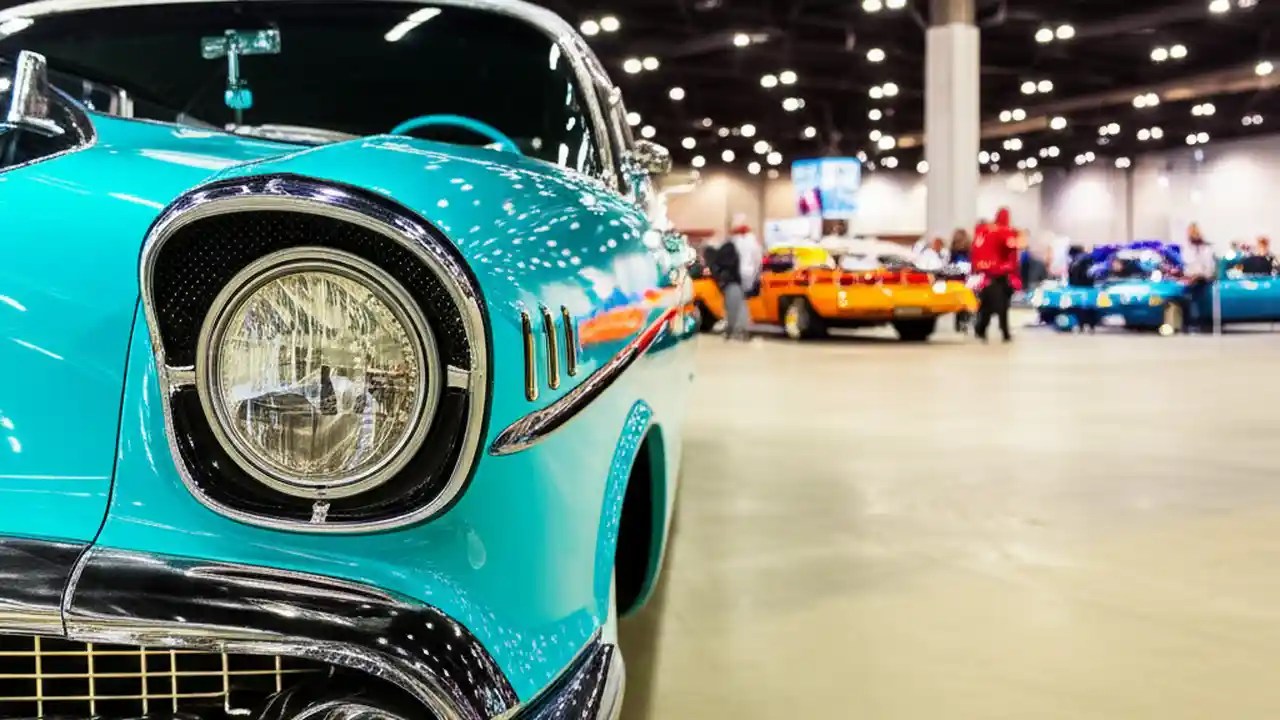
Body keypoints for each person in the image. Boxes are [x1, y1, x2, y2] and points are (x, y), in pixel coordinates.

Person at [971, 208, 1020, 342]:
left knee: (987, 304)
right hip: (999, 274)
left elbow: (975, 251)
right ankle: (1002, 331)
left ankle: (982, 329)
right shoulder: (1003, 231)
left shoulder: (983, 231)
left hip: (984, 274)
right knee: (1001, 305)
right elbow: (1011, 246)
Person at [708, 236, 748, 341]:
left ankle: (734, 332)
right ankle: (738, 332)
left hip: (730, 284)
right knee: (738, 308)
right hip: (736, 283)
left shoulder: (723, 256)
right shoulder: (733, 253)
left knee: (732, 309)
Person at [1183, 223, 1217, 333]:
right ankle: (1188, 322)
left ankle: (1198, 321)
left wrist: (1197, 276)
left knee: (1195, 291)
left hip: (1204, 278)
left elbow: (1209, 269)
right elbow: (1187, 266)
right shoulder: (1187, 249)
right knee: (1183, 291)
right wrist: (1188, 276)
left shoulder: (1207, 248)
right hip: (1191, 278)